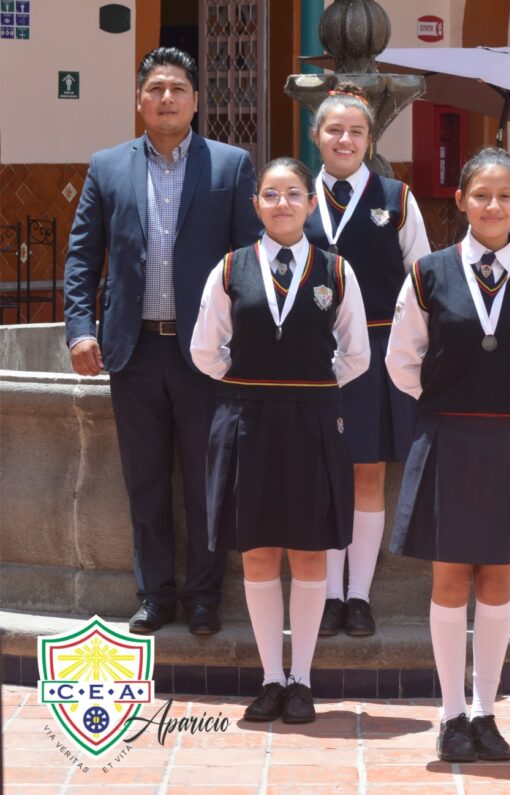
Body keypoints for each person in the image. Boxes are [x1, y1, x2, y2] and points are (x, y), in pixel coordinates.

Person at [63, 47, 263, 635]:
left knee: (208, 481)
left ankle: (203, 597)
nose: (167, 98)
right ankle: (155, 595)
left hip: (204, 355)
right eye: (156, 88)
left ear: (197, 101)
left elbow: (249, 262)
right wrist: (81, 329)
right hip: (133, 352)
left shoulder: (229, 166)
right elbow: (81, 256)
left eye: (178, 88)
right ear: (140, 100)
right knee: (145, 481)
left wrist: (239, 343)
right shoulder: (107, 167)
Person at [386, 148, 510, 763]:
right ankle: (450, 713)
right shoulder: (430, 273)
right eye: (481, 195)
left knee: (498, 581)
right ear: (460, 201)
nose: (493, 206)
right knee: (450, 579)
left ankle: (487, 712)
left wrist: (504, 402)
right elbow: (402, 361)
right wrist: (449, 405)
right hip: (449, 436)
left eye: (505, 197)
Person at [190, 157, 369, 723]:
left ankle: (303, 679)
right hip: (247, 419)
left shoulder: (337, 271)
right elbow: (204, 349)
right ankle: (271, 678)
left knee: (311, 549)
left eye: (294, 193)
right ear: (256, 205)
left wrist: (312, 387)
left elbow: (358, 353)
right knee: (260, 550)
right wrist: (249, 386)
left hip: (314, 420)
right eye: (272, 194)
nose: (283, 203)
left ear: (310, 204)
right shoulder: (229, 268)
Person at [305, 83, 432, 638]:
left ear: (370, 139)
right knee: (322, 473)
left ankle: (358, 595)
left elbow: (422, 279)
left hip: (376, 353)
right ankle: (328, 595)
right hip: (307, 355)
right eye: (334, 130)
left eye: (356, 131)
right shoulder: (295, 197)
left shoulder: (397, 198)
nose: (345, 139)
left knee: (367, 473)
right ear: (317, 137)